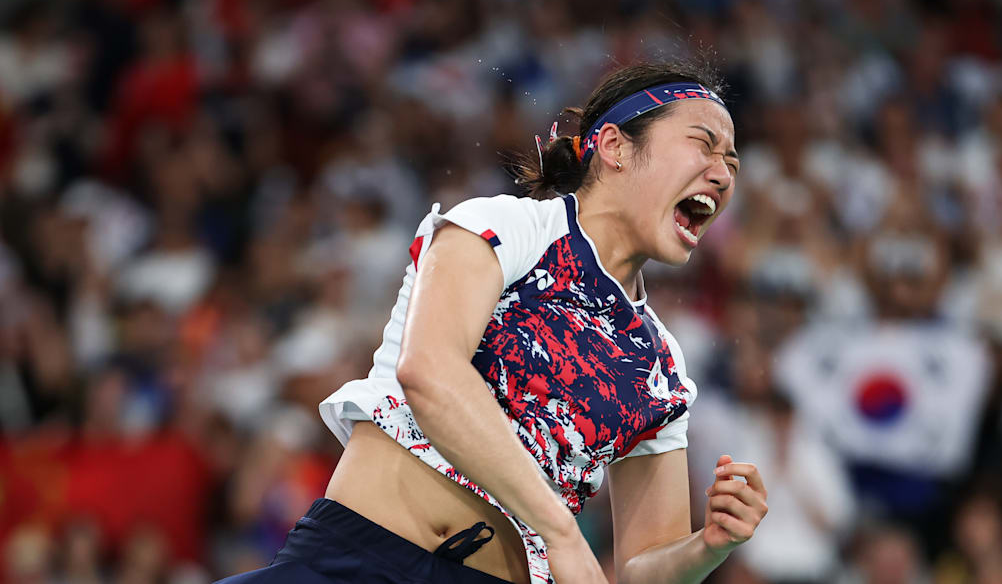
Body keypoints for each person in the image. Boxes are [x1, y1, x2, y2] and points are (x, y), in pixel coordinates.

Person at [219, 63, 768, 584]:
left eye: (733, 165)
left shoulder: (661, 368)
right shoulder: (505, 226)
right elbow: (429, 374)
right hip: (356, 560)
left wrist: (708, 546)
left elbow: (642, 567)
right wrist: (561, 531)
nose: (722, 175)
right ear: (615, 147)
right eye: (704, 144)